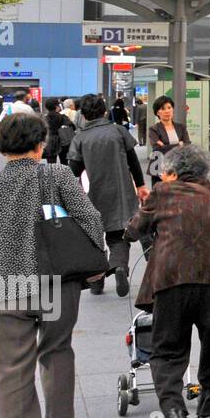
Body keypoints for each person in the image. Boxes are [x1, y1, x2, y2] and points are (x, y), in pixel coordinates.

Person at [0, 113, 105, 418]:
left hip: (3, 283)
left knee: (11, 364)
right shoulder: (56, 175)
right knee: (56, 350)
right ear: (40, 145)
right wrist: (97, 260)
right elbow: (90, 219)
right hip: (53, 281)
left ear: (0, 145)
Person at [124, 144, 210, 418]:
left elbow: (136, 228)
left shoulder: (163, 192)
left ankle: (174, 410)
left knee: (168, 349)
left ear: (175, 172)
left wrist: (128, 232)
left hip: (172, 281)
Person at [68, 93, 148, 297]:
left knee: (93, 238)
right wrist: (140, 185)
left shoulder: (80, 138)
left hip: (91, 195)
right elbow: (133, 161)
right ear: (104, 111)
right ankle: (119, 266)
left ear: (83, 115)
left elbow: (73, 170)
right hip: (122, 192)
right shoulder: (118, 131)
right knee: (118, 235)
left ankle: (96, 281)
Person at [146, 94, 191, 187]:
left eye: (169, 107)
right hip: (160, 166)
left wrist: (166, 145)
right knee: (160, 195)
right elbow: (158, 148)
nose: (167, 111)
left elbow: (187, 145)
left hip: (179, 166)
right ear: (157, 112)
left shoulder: (181, 127)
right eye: (162, 109)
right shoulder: (154, 129)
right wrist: (179, 144)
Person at [43, 98, 74, 166]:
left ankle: (51, 176)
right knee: (64, 163)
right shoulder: (62, 117)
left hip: (49, 141)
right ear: (57, 107)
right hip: (62, 141)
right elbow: (72, 126)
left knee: (50, 165)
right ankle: (63, 176)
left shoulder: (44, 118)